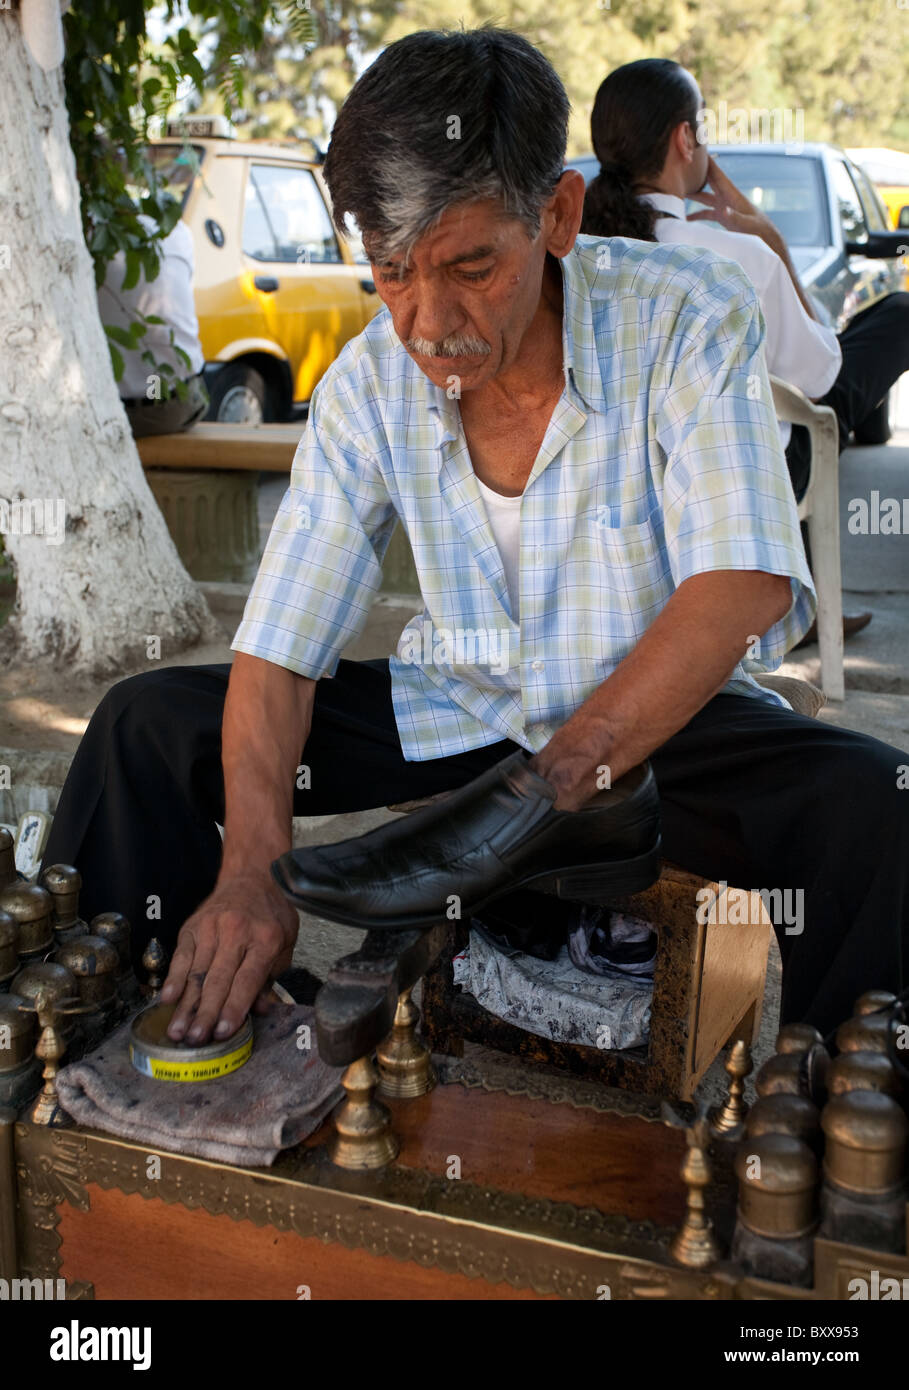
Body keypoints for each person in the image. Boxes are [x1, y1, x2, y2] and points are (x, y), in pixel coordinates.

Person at [45, 28, 909, 1049]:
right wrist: (251, 873)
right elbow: (280, 644)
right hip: (463, 703)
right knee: (148, 723)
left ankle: (831, 1110)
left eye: (471, 266)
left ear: (558, 215)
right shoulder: (370, 382)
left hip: (658, 728)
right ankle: (110, 1041)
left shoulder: (683, 313)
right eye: (392, 272)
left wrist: (537, 797)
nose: (429, 322)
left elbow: (743, 581)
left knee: (875, 804)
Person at [581, 58, 909, 645]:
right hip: (736, 480)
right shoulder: (738, 256)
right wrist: (773, 241)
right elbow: (821, 374)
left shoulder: (574, 254)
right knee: (895, 318)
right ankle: (800, 600)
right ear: (685, 138)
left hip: (614, 469)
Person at [98, 215, 208, 437]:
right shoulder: (177, 232)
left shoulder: (90, 240)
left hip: (113, 409)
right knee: (159, 381)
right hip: (173, 404)